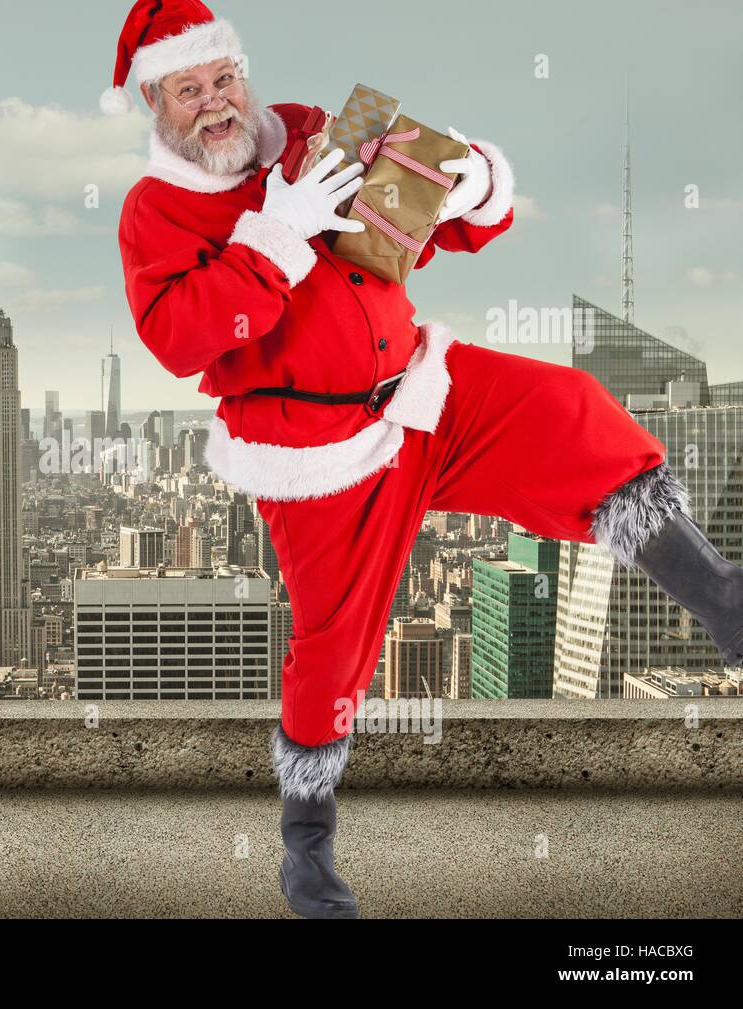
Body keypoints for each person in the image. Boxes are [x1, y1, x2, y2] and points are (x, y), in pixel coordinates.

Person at [107, 0, 743, 918]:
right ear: (156, 107)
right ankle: (306, 850)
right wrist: (275, 239)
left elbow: (425, 230)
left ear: (243, 74)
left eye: (224, 79)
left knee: (575, 411)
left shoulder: (315, 134)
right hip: (315, 453)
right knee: (333, 647)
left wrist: (472, 180)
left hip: (423, 393)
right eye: (189, 89)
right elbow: (178, 335)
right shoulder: (154, 210)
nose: (215, 103)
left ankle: (724, 599)